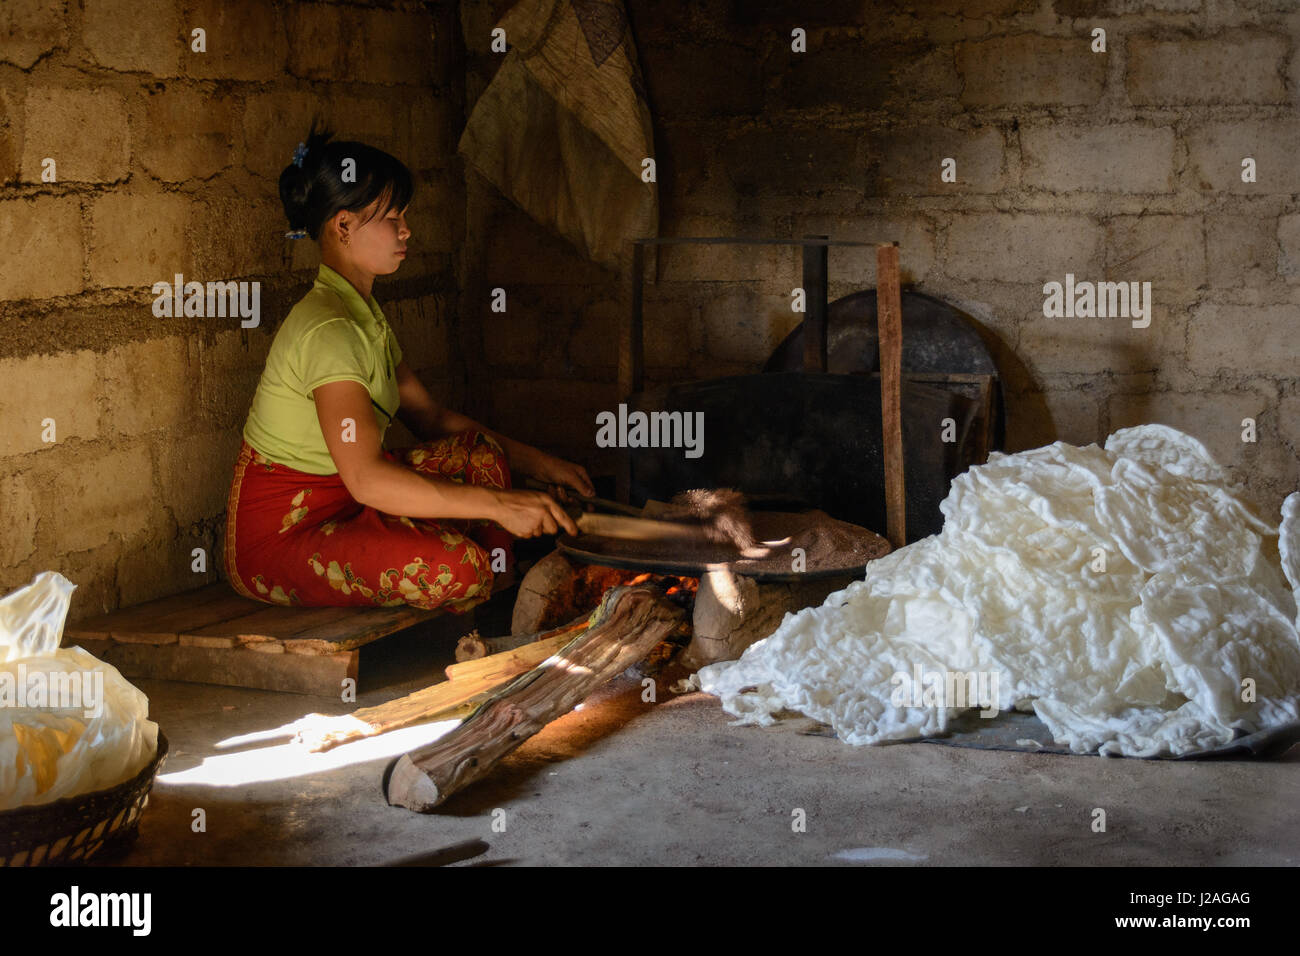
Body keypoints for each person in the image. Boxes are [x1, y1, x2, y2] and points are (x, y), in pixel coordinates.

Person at [223, 122, 594, 613]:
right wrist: (499, 505)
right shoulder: (328, 331)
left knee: (481, 457)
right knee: (459, 568)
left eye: (403, 215)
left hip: (349, 503)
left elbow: (433, 420)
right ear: (343, 226)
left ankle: (498, 591)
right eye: (392, 217)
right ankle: (482, 582)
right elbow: (368, 480)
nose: (406, 230)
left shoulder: (362, 314)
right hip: (284, 537)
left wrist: (543, 465)